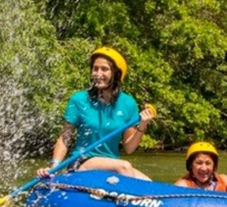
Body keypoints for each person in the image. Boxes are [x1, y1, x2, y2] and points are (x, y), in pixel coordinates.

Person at [38, 47, 155, 180]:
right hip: (82, 162)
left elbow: (129, 148)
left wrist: (143, 125)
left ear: (116, 74)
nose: (98, 73)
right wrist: (54, 167)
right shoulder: (79, 99)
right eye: (95, 68)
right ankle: (123, 199)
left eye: (104, 69)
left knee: (149, 183)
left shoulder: (128, 103)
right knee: (125, 167)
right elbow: (65, 138)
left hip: (112, 165)